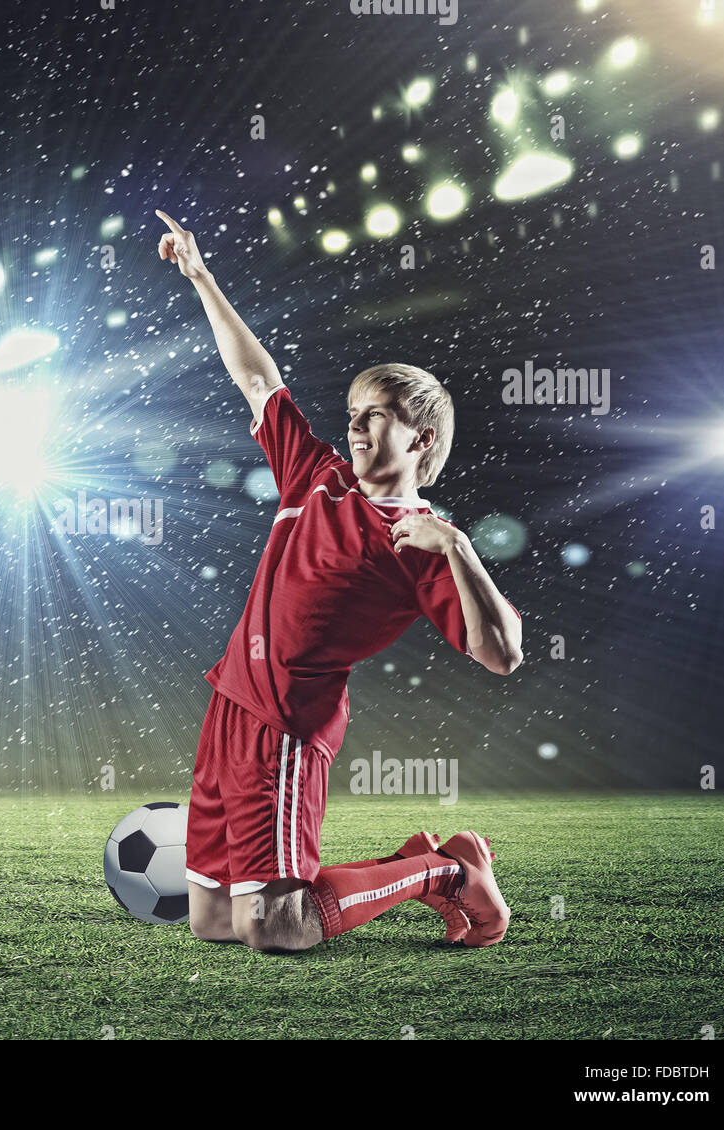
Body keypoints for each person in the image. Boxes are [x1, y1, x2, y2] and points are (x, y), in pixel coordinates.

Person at [155, 208, 523, 953]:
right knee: (213, 922)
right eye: (354, 412)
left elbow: (503, 653)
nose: (355, 426)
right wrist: (201, 275)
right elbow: (258, 379)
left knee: (278, 930)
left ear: (419, 441)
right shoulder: (313, 476)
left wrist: (458, 547)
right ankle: (407, 865)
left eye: (377, 416)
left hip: (289, 726)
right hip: (230, 703)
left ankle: (446, 875)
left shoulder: (418, 540)